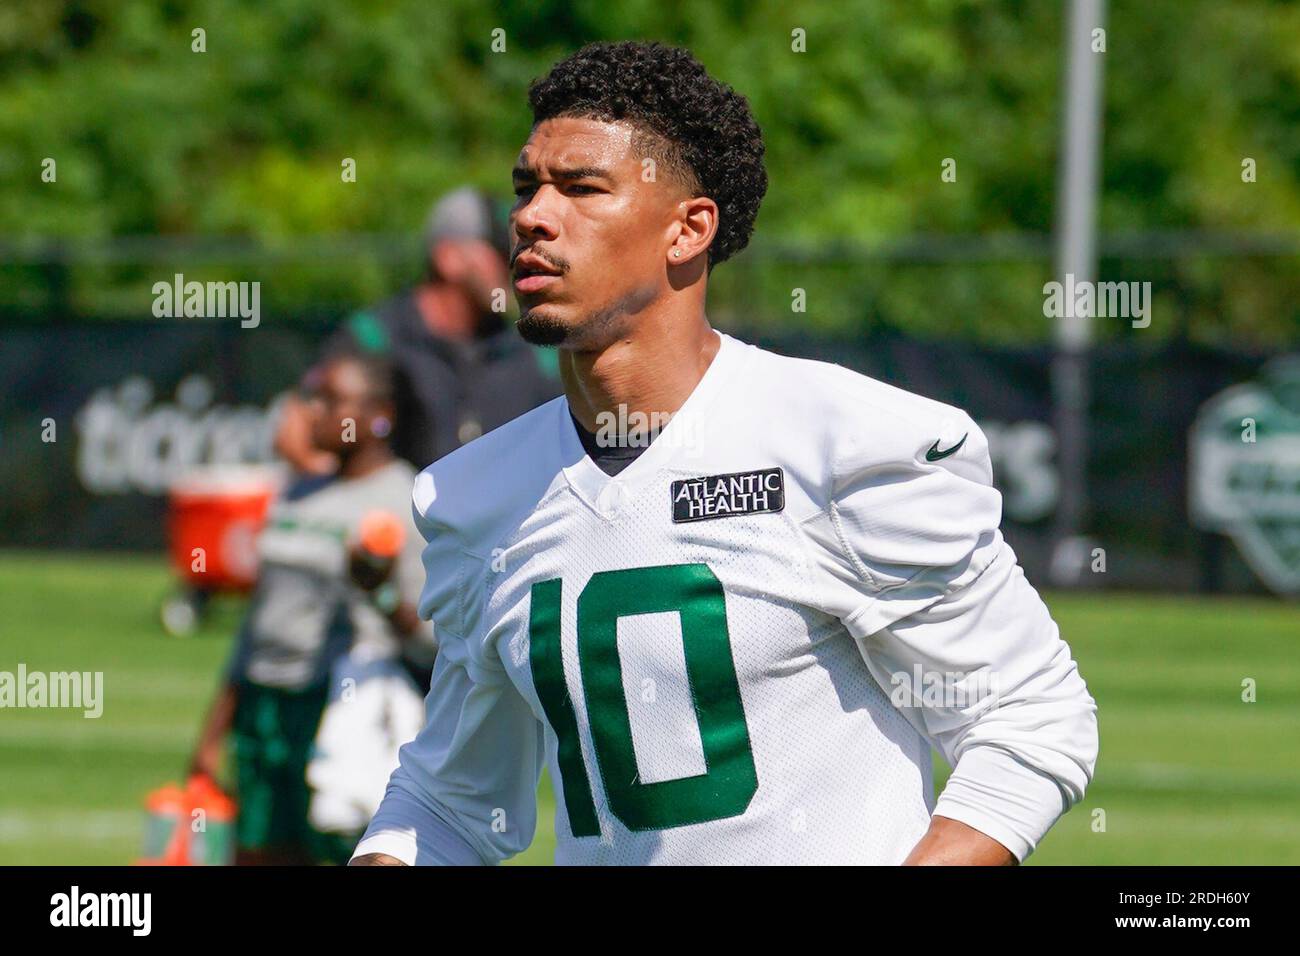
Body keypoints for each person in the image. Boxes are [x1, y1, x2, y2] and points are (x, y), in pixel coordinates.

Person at [352, 41, 1098, 866]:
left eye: (582, 188)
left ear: (688, 230)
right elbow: (451, 800)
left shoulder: (841, 446)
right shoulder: (479, 495)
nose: (532, 215)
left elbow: (1031, 715)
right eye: (527, 186)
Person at [191, 352, 432, 865]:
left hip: (342, 706)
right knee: (256, 853)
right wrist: (216, 728)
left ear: (379, 414)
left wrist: (380, 591)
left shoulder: (407, 500)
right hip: (264, 704)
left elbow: (435, 639)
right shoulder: (297, 492)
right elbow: (259, 620)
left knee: (341, 851)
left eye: (331, 400)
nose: (313, 412)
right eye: (311, 397)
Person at [274, 187, 560, 475]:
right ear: (448, 257)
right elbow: (303, 415)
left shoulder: (532, 350)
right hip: (398, 517)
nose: (516, 261)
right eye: (500, 251)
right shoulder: (375, 338)